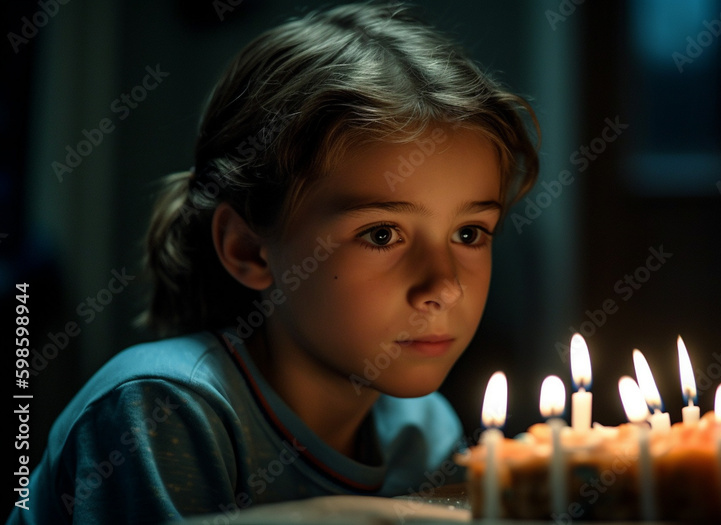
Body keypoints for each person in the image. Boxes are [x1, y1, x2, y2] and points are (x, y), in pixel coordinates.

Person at [9, 3, 538, 523]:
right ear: (248, 249)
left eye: (469, 233)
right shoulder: (160, 409)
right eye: (381, 234)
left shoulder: (421, 429)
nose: (443, 285)